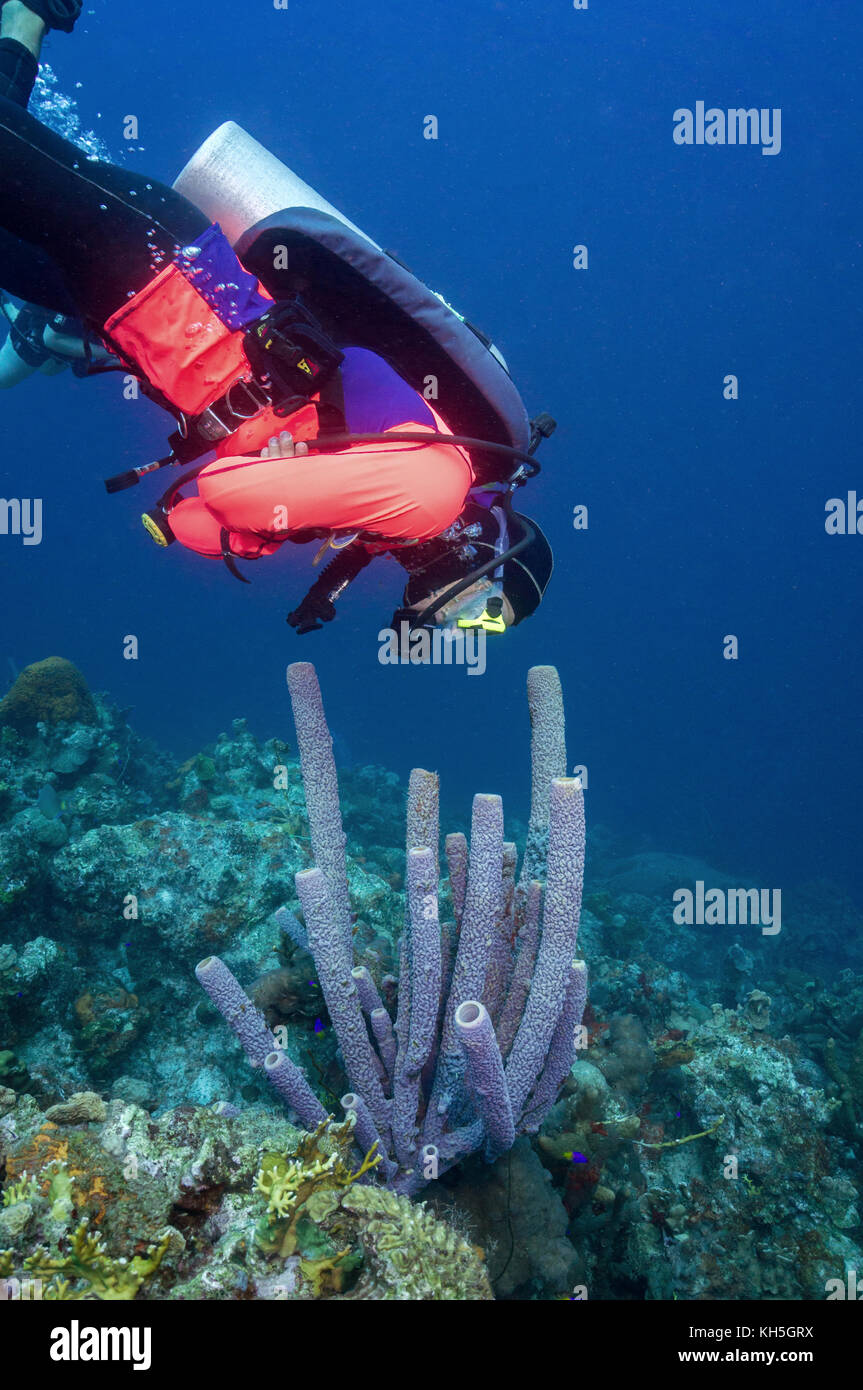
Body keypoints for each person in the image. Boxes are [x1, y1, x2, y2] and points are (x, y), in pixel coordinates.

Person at [0, 0, 554, 639]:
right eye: (488, 614)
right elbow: (227, 494)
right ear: (488, 557)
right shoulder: (430, 493)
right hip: (159, 274)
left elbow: (202, 515)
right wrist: (267, 510)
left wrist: (274, 517)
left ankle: (25, 20)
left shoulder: (393, 514)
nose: (462, 627)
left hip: (139, 310)